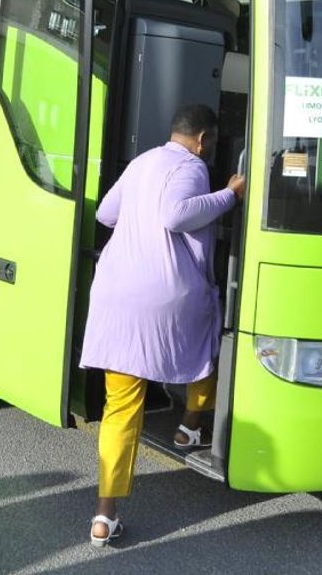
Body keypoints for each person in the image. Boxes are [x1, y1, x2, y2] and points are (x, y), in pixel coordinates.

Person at [79, 103, 246, 547]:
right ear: (204, 140)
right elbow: (176, 215)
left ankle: (103, 514)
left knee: (121, 408)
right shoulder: (192, 168)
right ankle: (189, 425)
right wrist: (230, 194)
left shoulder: (142, 162)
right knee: (208, 350)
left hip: (117, 297)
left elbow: (106, 215)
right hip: (167, 299)